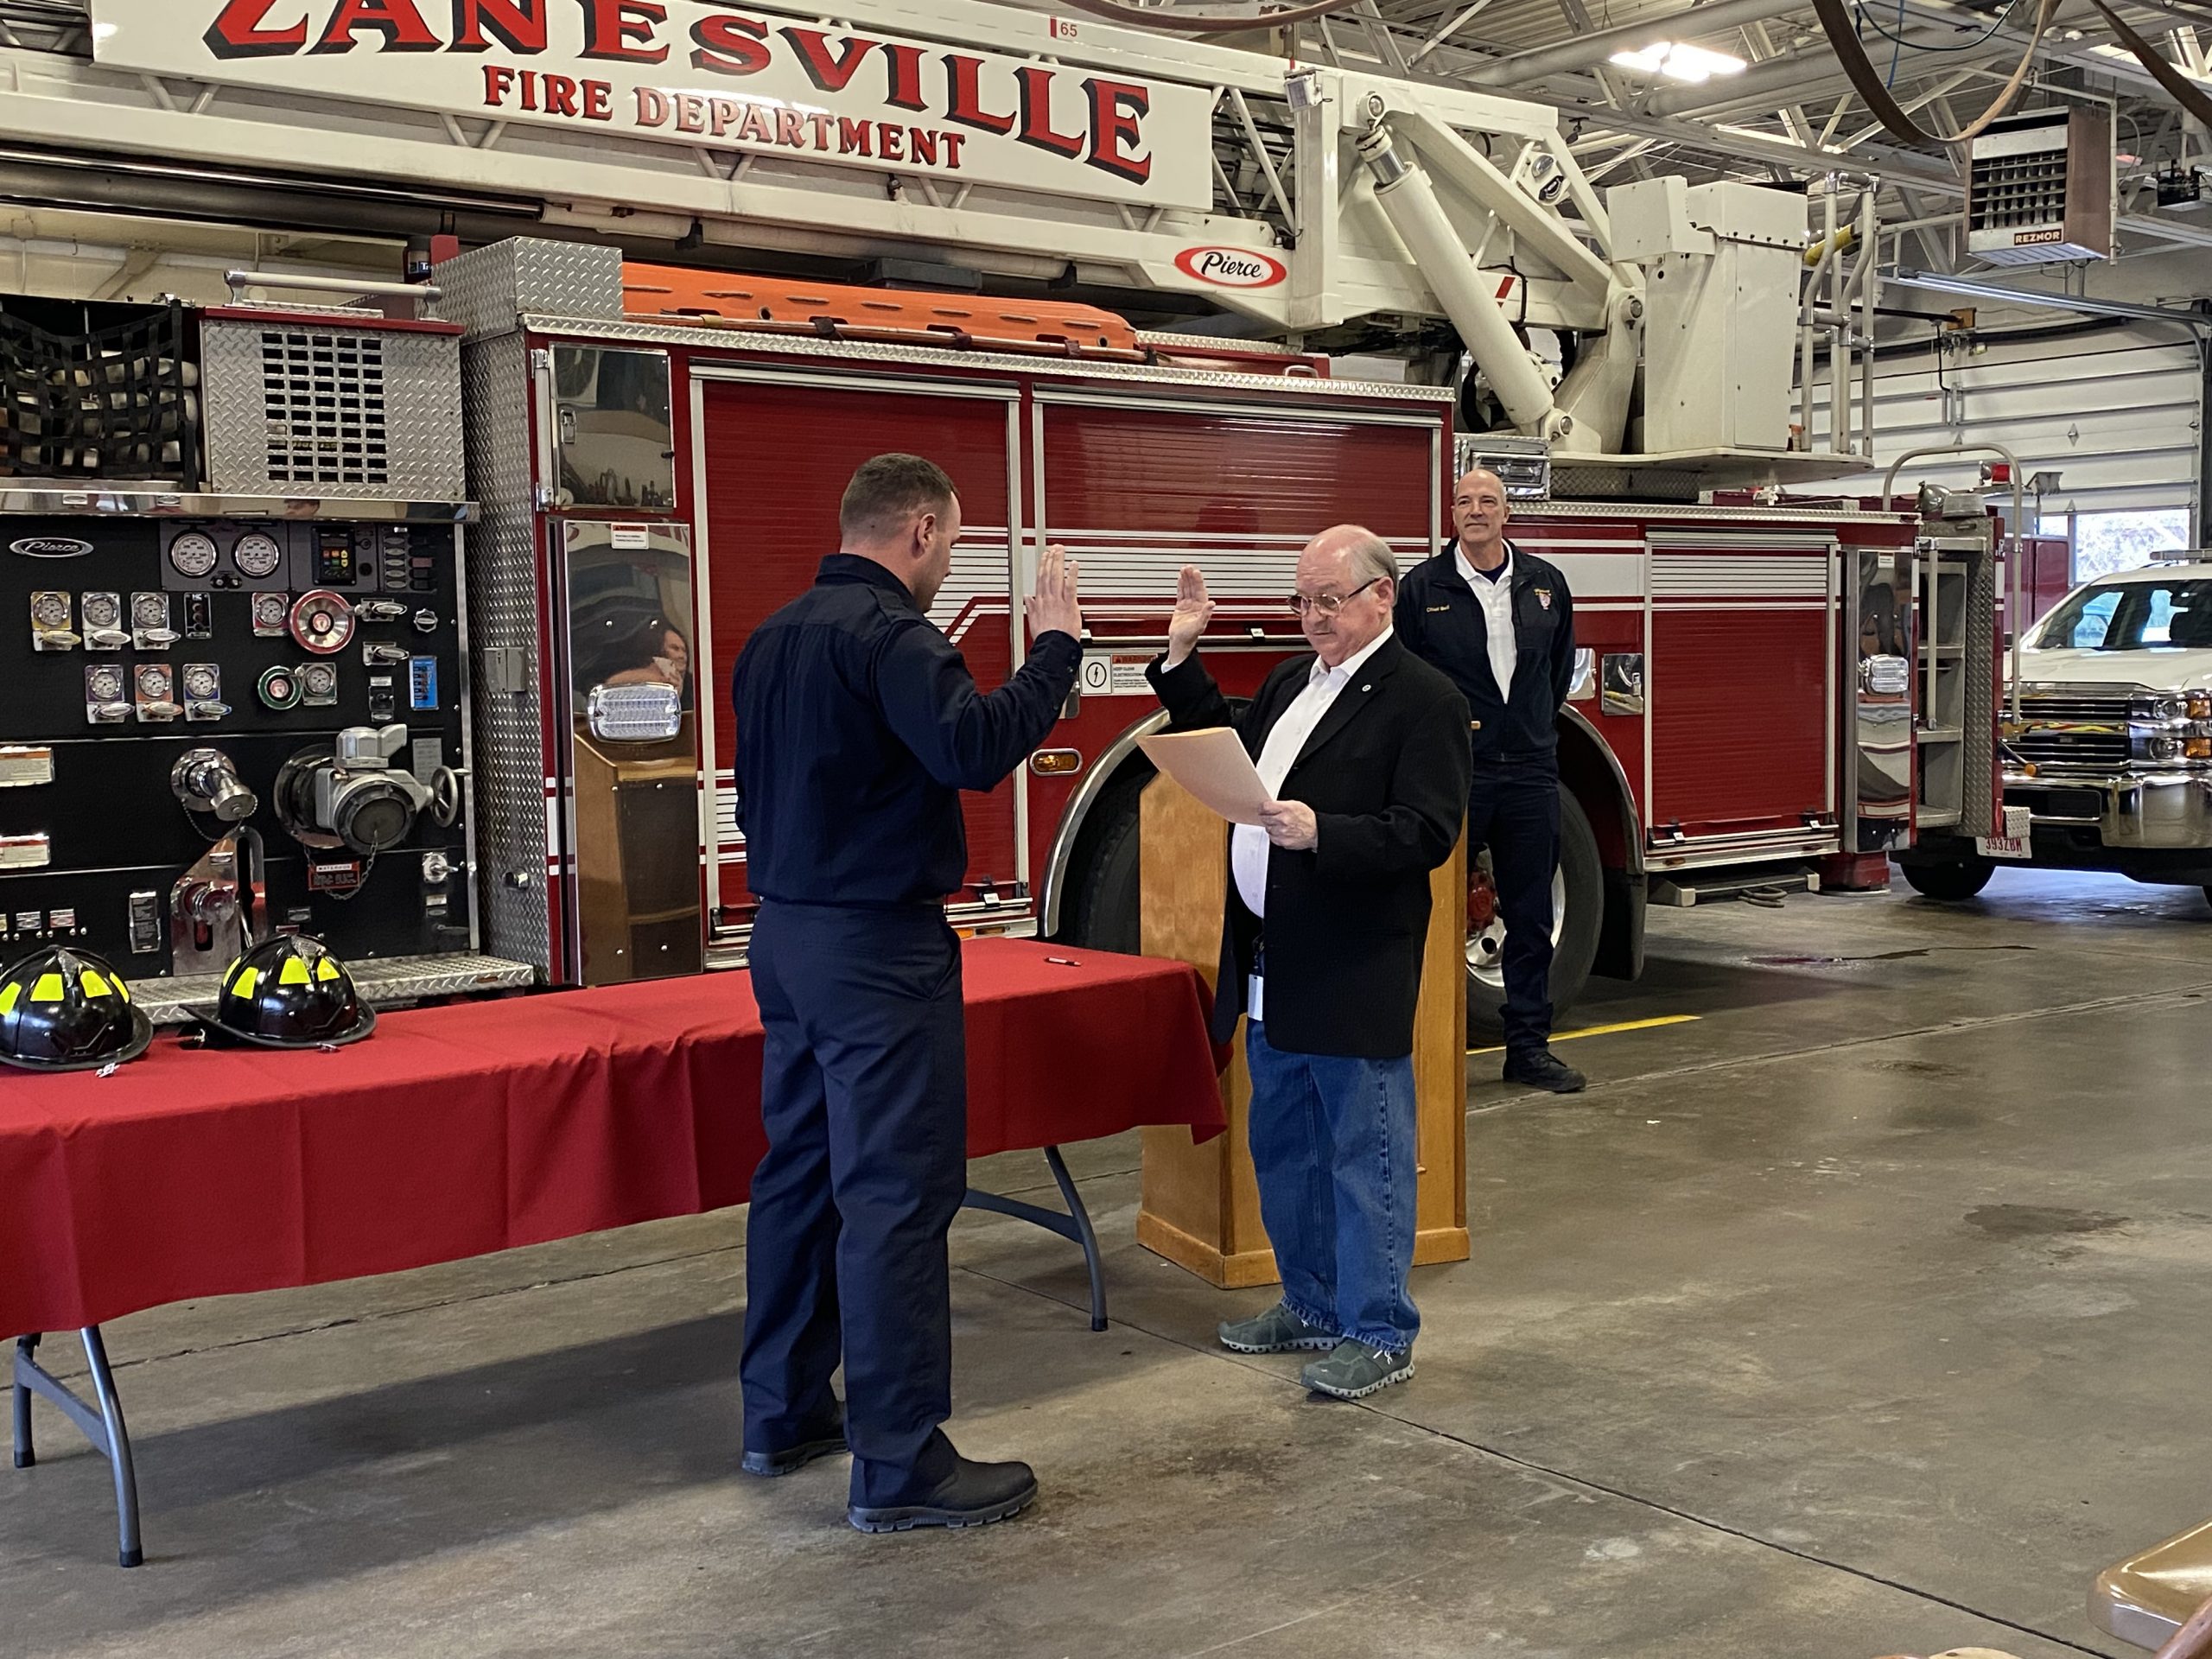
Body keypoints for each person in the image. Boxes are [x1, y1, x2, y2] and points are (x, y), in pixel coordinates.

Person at [729, 454, 1083, 1533]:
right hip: (877, 952)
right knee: (893, 1196)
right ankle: (900, 1464)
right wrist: (1054, 652)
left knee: (799, 1172)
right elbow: (972, 748)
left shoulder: (772, 637)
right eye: (955, 544)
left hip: (783, 939)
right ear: (920, 530)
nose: (947, 566)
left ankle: (782, 1411)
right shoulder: (894, 637)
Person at [1149, 527, 1471, 1400]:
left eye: (1328, 600)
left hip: (1351, 964)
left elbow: (1427, 831)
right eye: (1301, 601)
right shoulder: (1295, 682)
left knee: (1363, 1157)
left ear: (1382, 597)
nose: (1312, 617)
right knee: (1283, 1146)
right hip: (1271, 956)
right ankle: (1311, 1303)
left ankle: (1379, 1330)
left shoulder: (1423, 699)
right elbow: (1234, 760)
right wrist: (1183, 662)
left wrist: (1324, 832)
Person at [1396, 467, 1586, 1095]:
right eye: (1464, 501)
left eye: (1488, 501)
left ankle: (1528, 1049)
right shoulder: (1423, 589)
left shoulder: (1545, 585)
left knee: (1530, 916)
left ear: (1508, 513)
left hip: (1531, 771)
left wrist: (1522, 727)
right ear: (1450, 514)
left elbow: (1555, 675)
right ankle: (1423, 1049)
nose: (1476, 510)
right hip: (1457, 772)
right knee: (1428, 911)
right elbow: (1407, 679)